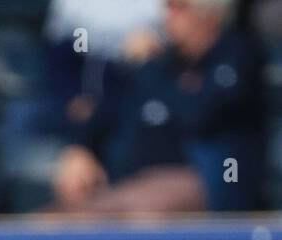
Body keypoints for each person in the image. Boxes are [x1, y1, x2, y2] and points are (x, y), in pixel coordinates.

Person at [50, 0, 264, 217]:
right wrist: (80, 148)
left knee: (138, 214)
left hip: (204, 182)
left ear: (209, 14)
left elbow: (197, 114)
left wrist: (148, 66)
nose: (167, 17)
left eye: (179, 8)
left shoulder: (237, 54)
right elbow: (108, 108)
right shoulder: (163, 61)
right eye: (167, 8)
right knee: (50, 221)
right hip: (131, 184)